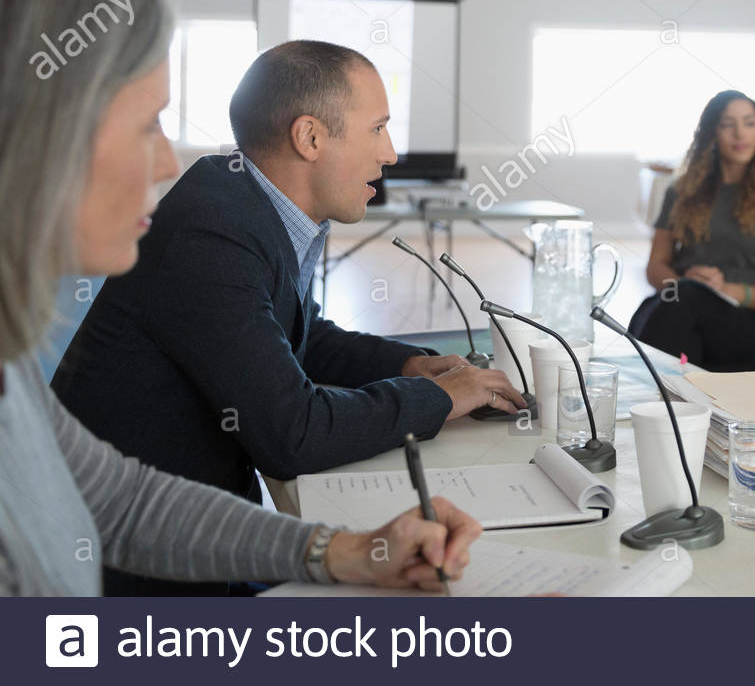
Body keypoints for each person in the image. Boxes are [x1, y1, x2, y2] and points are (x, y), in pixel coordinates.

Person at [0, 0, 480, 595]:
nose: (166, 159)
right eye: (145, 123)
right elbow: (292, 431)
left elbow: (122, 503)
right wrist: (432, 395)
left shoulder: (8, 369)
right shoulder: (211, 229)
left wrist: (346, 552)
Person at [51, 39, 526, 594]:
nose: (391, 152)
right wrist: (443, 398)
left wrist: (407, 364)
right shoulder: (213, 232)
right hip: (135, 575)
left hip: (197, 529)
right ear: (310, 138)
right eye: (377, 128)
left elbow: (297, 333)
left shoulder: (245, 201)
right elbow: (292, 432)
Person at [631, 91, 755, 372]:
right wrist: (683, 285)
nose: (740, 133)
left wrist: (725, 290)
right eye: (728, 124)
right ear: (711, 131)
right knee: (681, 327)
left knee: (663, 322)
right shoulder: (681, 190)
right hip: (680, 305)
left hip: (741, 320)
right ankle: (682, 405)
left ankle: (648, 398)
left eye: (749, 123)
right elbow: (655, 267)